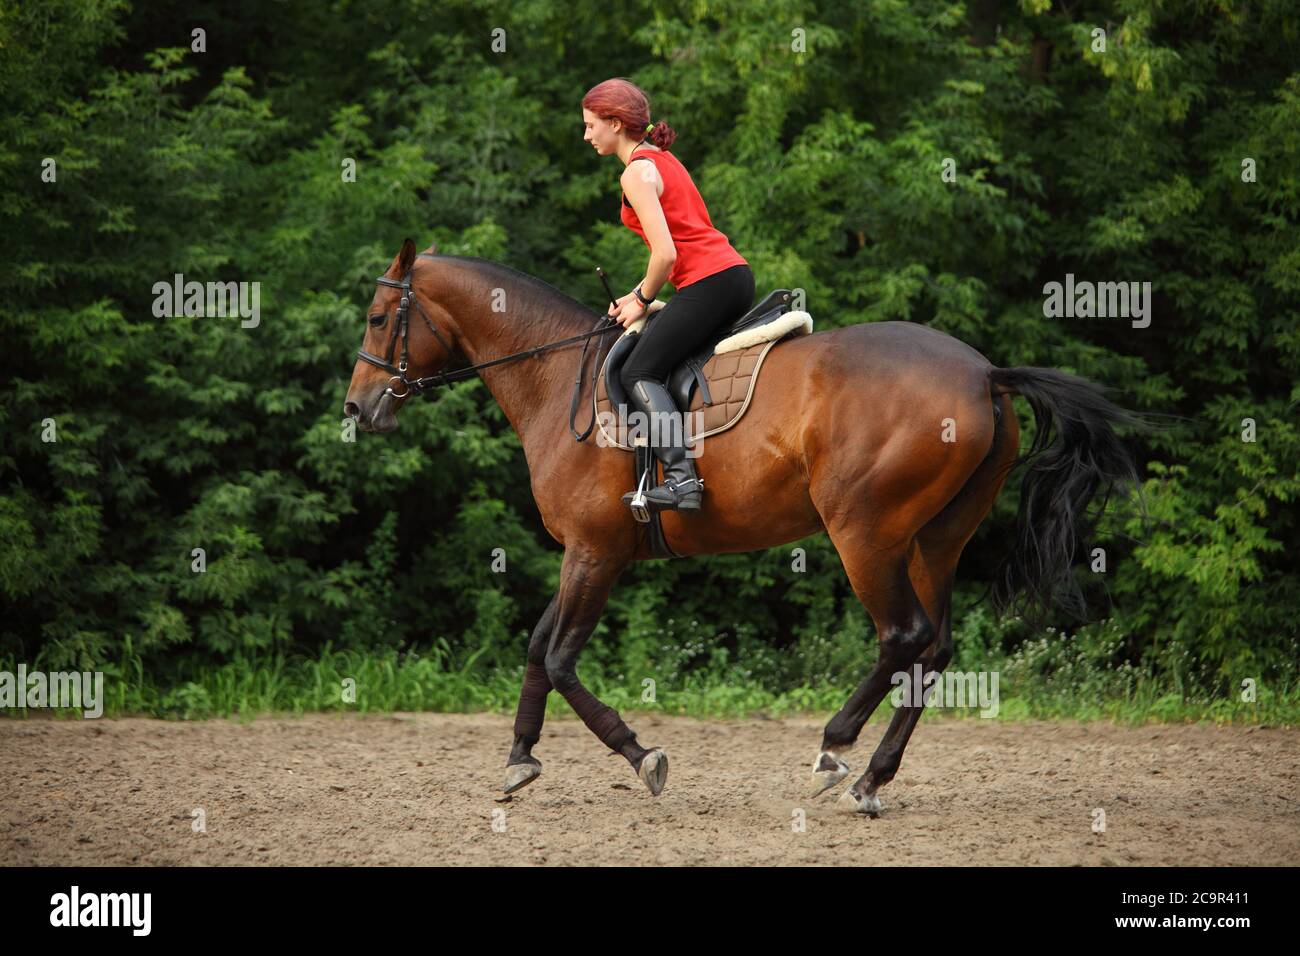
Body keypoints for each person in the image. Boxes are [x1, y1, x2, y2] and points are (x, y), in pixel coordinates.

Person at [581, 77, 755, 513]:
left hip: (710, 281)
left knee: (638, 371)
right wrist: (650, 299)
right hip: (728, 276)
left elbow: (665, 253)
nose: (586, 135)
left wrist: (639, 298)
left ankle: (681, 480)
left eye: (590, 125)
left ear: (616, 123)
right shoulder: (663, 159)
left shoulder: (636, 172)